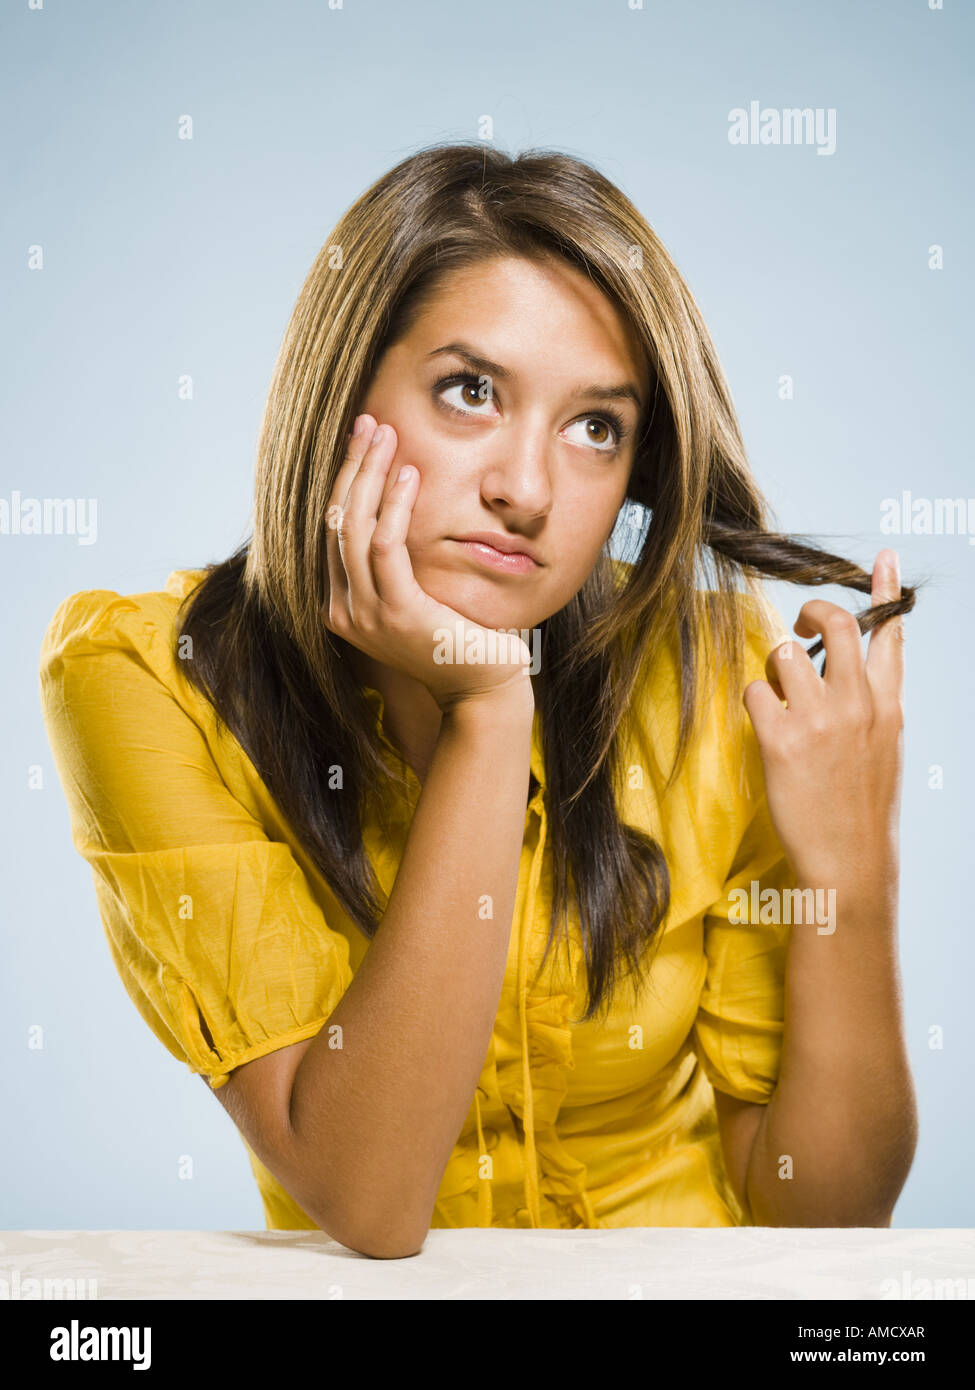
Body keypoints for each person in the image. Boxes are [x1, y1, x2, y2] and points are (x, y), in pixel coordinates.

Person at [39, 141, 919, 1258]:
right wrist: (491, 711)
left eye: (595, 426)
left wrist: (855, 873)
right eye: (470, 393)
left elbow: (825, 1228)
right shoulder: (147, 682)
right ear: (338, 394)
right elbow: (369, 1197)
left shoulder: (730, 685)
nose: (528, 490)